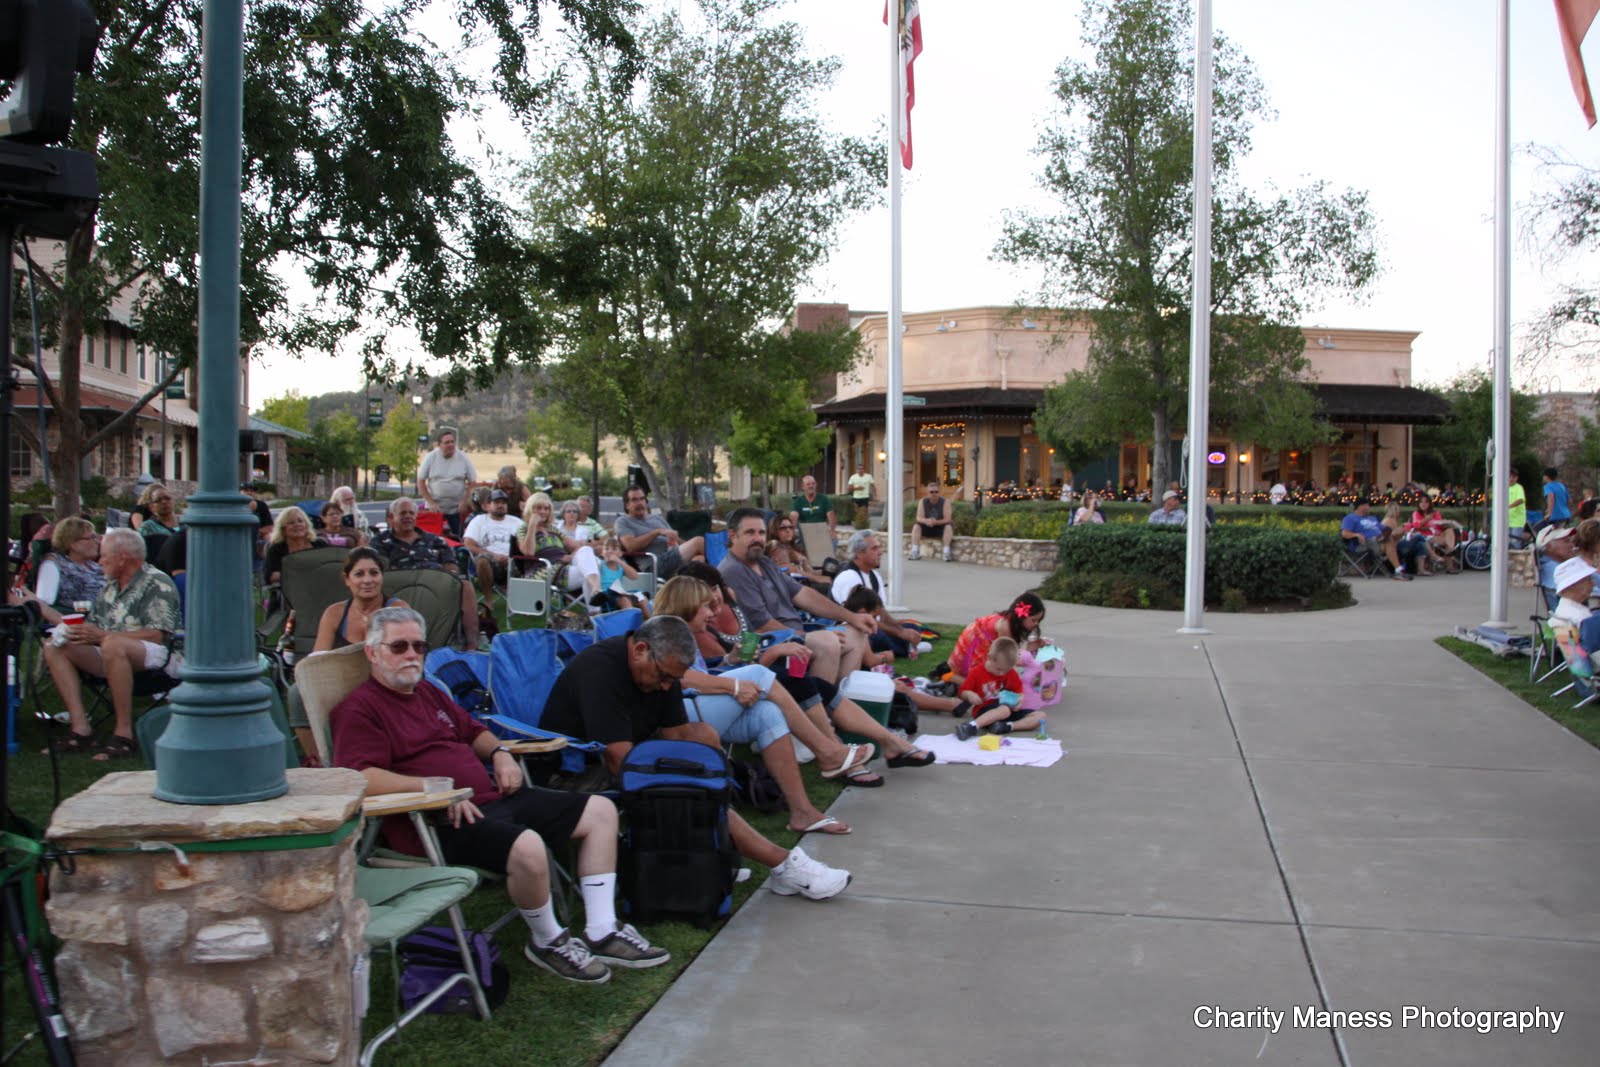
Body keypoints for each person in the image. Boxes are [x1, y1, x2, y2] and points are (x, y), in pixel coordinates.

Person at [334, 607, 666, 983]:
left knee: (601, 811)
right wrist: (430, 788)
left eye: (418, 645)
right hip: (435, 820)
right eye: (399, 647)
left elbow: (473, 730)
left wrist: (501, 753)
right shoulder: (359, 709)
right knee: (528, 846)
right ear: (372, 652)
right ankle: (548, 941)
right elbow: (360, 776)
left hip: (490, 799)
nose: (411, 655)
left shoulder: (427, 692)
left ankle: (602, 928)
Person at [539, 615, 852, 900]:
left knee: (702, 738)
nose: (665, 687)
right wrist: (693, 776)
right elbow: (620, 762)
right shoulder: (602, 671)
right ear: (640, 650)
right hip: (574, 771)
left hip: (623, 754)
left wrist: (709, 765)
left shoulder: (663, 670)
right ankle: (784, 866)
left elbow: (677, 734)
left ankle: (714, 846)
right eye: (662, 677)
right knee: (691, 787)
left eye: (672, 680)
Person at [654, 577, 877, 832]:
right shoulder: (665, 629)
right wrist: (735, 686)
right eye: (705, 606)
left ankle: (802, 812)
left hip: (697, 706)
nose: (711, 613)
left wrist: (728, 659)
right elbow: (678, 677)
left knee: (767, 713)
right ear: (687, 604)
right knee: (759, 676)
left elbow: (694, 670)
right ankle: (827, 751)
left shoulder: (681, 631)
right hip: (679, 716)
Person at [41, 529, 181, 761]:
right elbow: (95, 630)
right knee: (55, 645)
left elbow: (158, 636)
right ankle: (81, 729)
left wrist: (103, 635)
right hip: (111, 652)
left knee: (113, 643)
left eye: (104, 555)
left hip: (160, 657)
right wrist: (76, 633)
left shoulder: (156, 582)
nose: (100, 560)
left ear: (122, 557)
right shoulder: (109, 587)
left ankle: (124, 734)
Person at [718, 507, 876, 685]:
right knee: (828, 642)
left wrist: (852, 617)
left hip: (795, 633)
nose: (758, 538)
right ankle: (820, 706)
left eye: (761, 532)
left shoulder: (764, 562)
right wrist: (805, 636)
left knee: (856, 632)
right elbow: (763, 626)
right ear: (732, 535)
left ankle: (841, 701)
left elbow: (804, 594)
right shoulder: (733, 571)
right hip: (768, 645)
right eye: (750, 532)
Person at [371, 497, 481, 647]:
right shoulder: (380, 541)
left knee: (466, 586)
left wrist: (450, 575)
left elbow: (451, 565)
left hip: (435, 584)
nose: (408, 517)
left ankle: (472, 644)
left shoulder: (435, 540)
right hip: (399, 587)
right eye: (403, 513)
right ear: (392, 518)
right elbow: (378, 569)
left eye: (411, 513)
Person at [830, 530, 929, 659]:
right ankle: (906, 647)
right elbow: (861, 619)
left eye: (879, 547)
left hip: (872, 626)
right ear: (860, 553)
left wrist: (901, 630)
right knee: (875, 637)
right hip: (851, 629)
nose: (880, 552)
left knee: (911, 626)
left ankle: (906, 645)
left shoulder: (874, 576)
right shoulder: (848, 577)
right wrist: (900, 634)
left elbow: (881, 612)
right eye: (875, 548)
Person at [9, 517, 104, 625]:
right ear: (73, 543)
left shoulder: (93, 565)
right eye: (91, 537)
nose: (97, 541)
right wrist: (92, 606)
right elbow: (45, 603)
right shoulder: (53, 565)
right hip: (79, 622)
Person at [949, 592, 1046, 688]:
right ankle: (948, 676)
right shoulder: (1005, 627)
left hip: (983, 640)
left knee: (992, 676)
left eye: (1038, 620)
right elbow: (1008, 659)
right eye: (1033, 620)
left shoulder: (1011, 621)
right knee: (982, 684)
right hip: (976, 642)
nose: (1036, 623)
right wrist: (1029, 649)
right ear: (1021, 617)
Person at [516, 493, 603, 601]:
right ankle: (595, 607)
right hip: (544, 572)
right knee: (590, 571)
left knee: (587, 552)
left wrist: (570, 557)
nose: (543, 511)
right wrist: (532, 525)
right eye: (538, 508)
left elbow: (577, 547)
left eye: (546, 508)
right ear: (530, 509)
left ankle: (596, 590)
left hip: (563, 568)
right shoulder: (523, 528)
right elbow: (528, 552)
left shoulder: (553, 529)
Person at [953, 637, 1044, 740]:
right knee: (1004, 710)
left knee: (1040, 716)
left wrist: (1019, 699)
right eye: (999, 669)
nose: (1002, 673)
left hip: (1007, 709)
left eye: (1006, 670)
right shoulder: (976, 673)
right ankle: (971, 726)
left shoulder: (1010, 673)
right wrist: (969, 694)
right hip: (984, 710)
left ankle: (1006, 727)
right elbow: (961, 692)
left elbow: (1019, 691)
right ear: (990, 658)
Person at [615, 485, 705, 580]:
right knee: (698, 542)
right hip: (654, 564)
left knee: (700, 559)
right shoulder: (623, 521)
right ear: (627, 505)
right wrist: (657, 532)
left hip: (673, 556)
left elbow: (677, 539)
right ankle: (722, 579)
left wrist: (680, 541)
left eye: (642, 499)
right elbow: (631, 547)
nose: (640, 503)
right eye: (634, 500)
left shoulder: (657, 518)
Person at [417, 427, 478, 538]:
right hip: (435, 509)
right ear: (439, 445)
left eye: (452, 442)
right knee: (432, 539)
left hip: (456, 509)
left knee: (457, 538)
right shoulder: (430, 458)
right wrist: (430, 502)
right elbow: (420, 481)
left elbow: (472, 482)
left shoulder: (463, 458)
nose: (450, 445)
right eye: (446, 442)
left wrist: (465, 501)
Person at [463, 489, 521, 601]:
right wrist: (494, 556)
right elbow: (468, 544)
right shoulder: (478, 521)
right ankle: (489, 601)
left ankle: (525, 604)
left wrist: (510, 557)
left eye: (504, 503)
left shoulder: (517, 522)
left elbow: (526, 545)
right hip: (490, 563)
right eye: (497, 502)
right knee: (482, 560)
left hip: (514, 562)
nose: (501, 505)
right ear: (487, 506)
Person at [263, 506, 329, 585]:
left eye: (300, 521)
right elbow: (272, 576)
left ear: (306, 525)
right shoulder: (276, 549)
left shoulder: (320, 544)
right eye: (291, 522)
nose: (297, 525)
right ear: (283, 528)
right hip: (291, 590)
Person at [1339, 500, 1405, 579]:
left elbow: (1385, 529)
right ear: (1360, 507)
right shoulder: (1350, 518)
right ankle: (1399, 571)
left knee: (1400, 530)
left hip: (1379, 540)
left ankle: (1397, 568)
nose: (1369, 508)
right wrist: (1356, 535)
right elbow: (1344, 533)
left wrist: (1385, 534)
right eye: (1367, 505)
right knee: (1388, 540)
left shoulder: (1372, 518)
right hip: (1363, 543)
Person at [766, 514, 829, 593]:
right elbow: (788, 569)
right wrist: (818, 578)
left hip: (806, 582)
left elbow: (808, 571)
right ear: (774, 530)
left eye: (790, 527)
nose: (788, 530)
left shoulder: (792, 547)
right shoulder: (775, 545)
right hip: (797, 587)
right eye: (782, 528)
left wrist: (825, 572)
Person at [1536, 524, 1578, 611]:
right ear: (1549, 546)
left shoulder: (1563, 565)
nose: (1572, 545)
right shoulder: (1553, 569)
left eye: (1571, 541)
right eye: (1566, 541)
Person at [788, 474, 836, 550]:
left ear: (816, 485)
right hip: (805, 531)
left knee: (832, 543)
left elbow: (830, 515)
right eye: (808, 484)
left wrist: (831, 530)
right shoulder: (798, 501)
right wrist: (792, 531)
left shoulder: (823, 499)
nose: (811, 486)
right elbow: (794, 516)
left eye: (813, 483)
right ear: (803, 487)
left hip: (821, 530)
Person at [909, 481, 954, 561]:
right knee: (916, 526)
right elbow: (919, 517)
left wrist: (935, 522)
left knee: (948, 527)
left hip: (940, 527)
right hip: (927, 527)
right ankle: (914, 551)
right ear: (928, 493)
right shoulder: (923, 501)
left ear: (939, 492)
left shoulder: (945, 502)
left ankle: (946, 553)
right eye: (931, 492)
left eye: (936, 492)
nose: (934, 494)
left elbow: (948, 519)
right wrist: (927, 521)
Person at [1539, 467, 1572, 534]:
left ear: (1546, 477)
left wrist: (1549, 513)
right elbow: (1569, 501)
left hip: (1555, 516)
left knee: (1554, 537)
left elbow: (1551, 497)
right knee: (1563, 535)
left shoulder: (1548, 486)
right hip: (1566, 515)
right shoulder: (1561, 485)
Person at [846, 463, 874, 527]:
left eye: (862, 469)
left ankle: (866, 524)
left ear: (864, 469)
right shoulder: (853, 477)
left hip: (865, 497)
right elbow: (849, 488)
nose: (860, 470)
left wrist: (875, 495)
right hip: (856, 497)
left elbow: (873, 486)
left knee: (865, 511)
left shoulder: (868, 476)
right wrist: (857, 488)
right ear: (857, 470)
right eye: (859, 469)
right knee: (857, 512)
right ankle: (858, 525)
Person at [1508, 467, 1529, 548]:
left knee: (1515, 542)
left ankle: (1516, 559)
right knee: (1507, 542)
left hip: (1517, 521)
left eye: (1513, 477)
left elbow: (1521, 499)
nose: (1511, 479)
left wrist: (1509, 506)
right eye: (1509, 476)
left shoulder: (1518, 487)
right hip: (1507, 520)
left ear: (1517, 478)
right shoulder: (1503, 488)